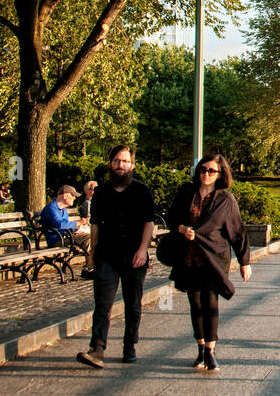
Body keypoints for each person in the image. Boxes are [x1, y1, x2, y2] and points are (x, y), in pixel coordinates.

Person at [165, 154, 250, 372]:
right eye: (203, 170)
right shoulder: (187, 192)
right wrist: (183, 229)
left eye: (211, 171)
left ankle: (211, 350)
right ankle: (200, 347)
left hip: (214, 257)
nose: (206, 174)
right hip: (189, 256)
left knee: (211, 302)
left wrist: (244, 261)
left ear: (220, 174)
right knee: (196, 304)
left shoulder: (225, 199)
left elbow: (237, 231)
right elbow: (172, 217)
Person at [78, 145, 154, 368]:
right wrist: (91, 255)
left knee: (133, 303)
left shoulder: (142, 191)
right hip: (106, 254)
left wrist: (142, 250)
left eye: (124, 161)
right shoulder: (101, 191)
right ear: (110, 164)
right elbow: (95, 225)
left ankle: (130, 345)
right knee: (102, 303)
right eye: (116, 161)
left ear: (132, 165)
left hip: (134, 256)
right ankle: (97, 348)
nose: (120, 165)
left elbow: (148, 223)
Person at [39, 185, 90, 250]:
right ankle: (91, 259)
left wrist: (77, 229)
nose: (74, 198)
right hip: (56, 241)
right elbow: (60, 224)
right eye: (72, 195)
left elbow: (66, 226)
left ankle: (90, 258)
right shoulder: (51, 208)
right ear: (65, 195)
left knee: (90, 237)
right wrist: (78, 222)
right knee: (88, 238)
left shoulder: (63, 210)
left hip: (65, 237)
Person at [78, 180, 98, 278]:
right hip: (88, 227)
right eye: (91, 189)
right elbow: (88, 218)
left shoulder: (97, 201)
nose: (93, 191)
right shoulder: (86, 203)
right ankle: (91, 265)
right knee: (91, 239)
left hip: (93, 226)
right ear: (86, 190)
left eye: (95, 189)